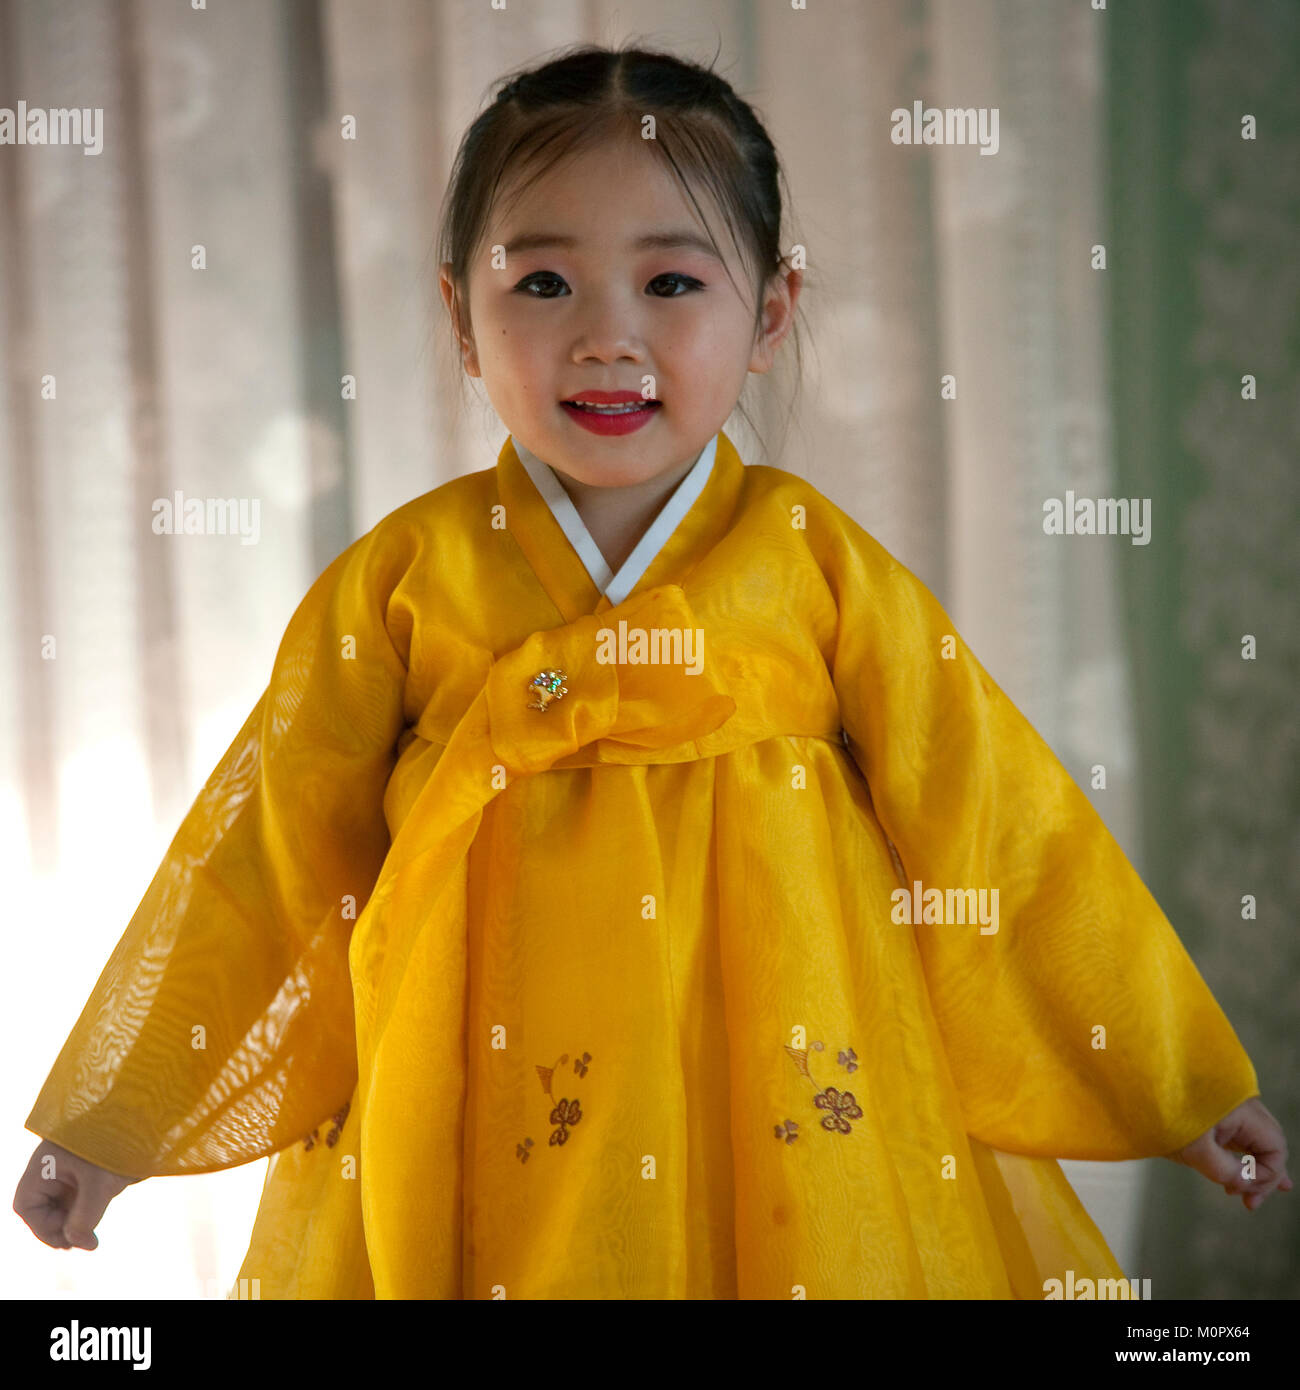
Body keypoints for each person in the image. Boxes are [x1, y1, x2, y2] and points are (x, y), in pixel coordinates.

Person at [14, 42, 1289, 1300]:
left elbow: (1001, 825)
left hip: (784, 1108)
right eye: (544, 286)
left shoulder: (812, 565)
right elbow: (263, 862)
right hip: (476, 1111)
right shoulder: (403, 581)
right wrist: (112, 1119)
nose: (606, 341)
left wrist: (1174, 1084)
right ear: (461, 317)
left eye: (672, 284)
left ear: (769, 315)